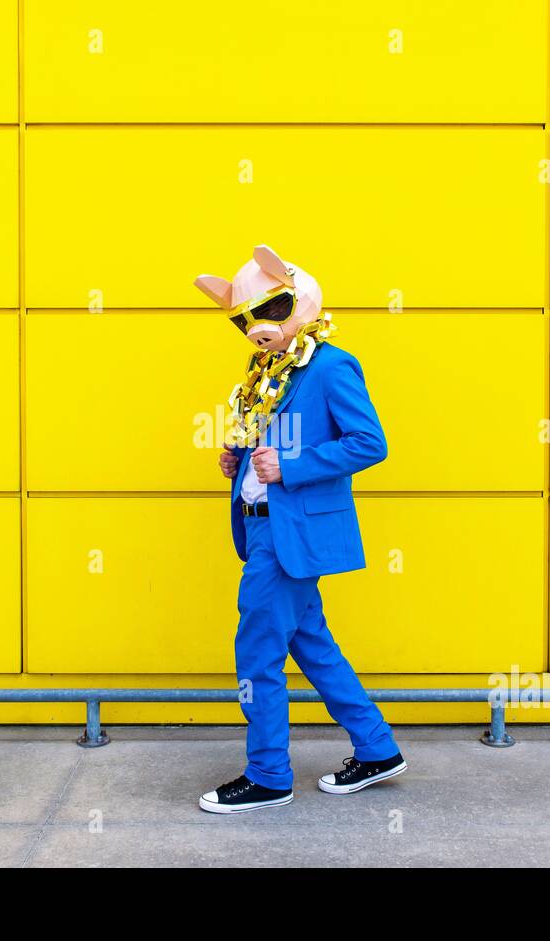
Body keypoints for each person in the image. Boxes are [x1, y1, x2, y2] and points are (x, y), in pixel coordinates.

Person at [192, 244, 406, 814]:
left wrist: (290, 467)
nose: (255, 330)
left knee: (257, 654)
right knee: (313, 646)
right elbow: (269, 440)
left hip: (290, 535)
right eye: (244, 320)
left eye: (267, 312)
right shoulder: (265, 372)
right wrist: (239, 466)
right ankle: (378, 749)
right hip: (262, 527)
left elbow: (369, 444)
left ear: (299, 303)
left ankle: (268, 775)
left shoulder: (333, 366)